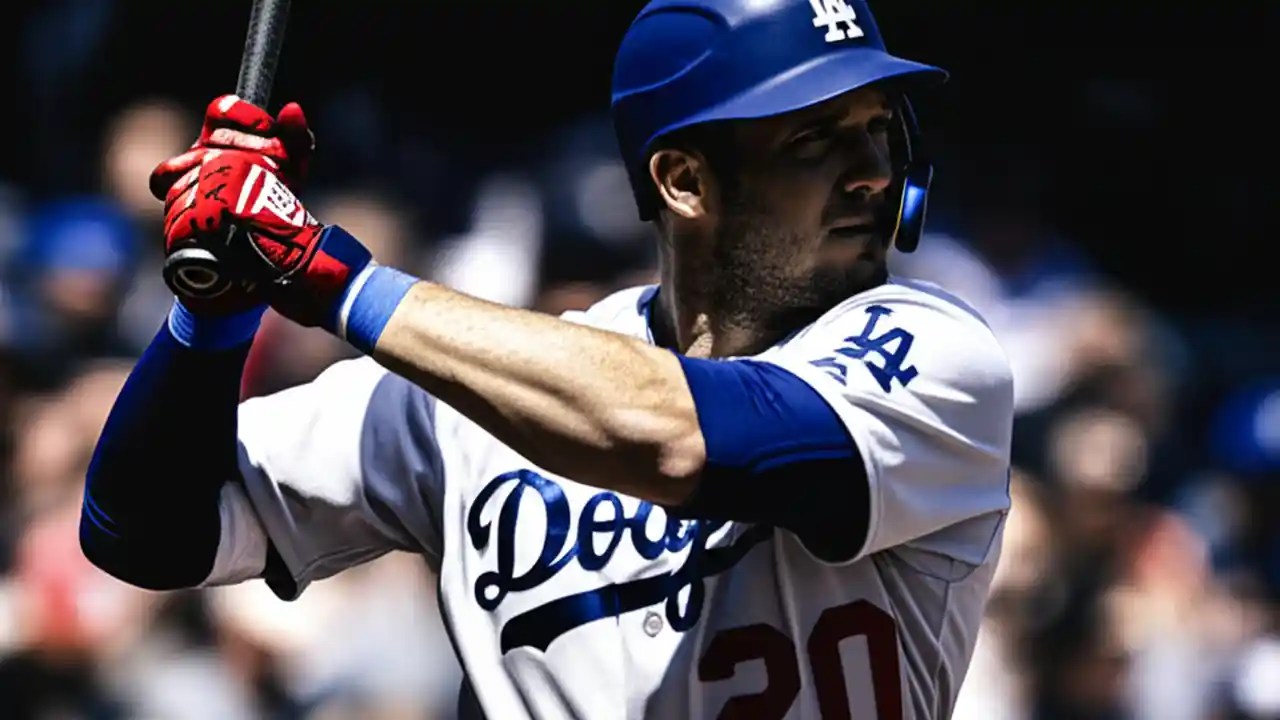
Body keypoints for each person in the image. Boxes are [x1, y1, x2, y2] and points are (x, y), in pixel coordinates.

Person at [81, 1, 1014, 717]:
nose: (874, 173)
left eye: (878, 128)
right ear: (683, 180)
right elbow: (143, 530)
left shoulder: (938, 354)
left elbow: (688, 441)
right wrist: (213, 320)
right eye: (815, 138)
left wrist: (332, 278)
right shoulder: (485, 388)